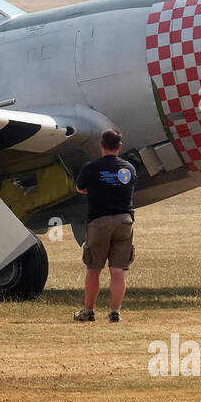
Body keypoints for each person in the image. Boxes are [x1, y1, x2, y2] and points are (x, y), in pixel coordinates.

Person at [73, 129, 136, 323]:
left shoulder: (90, 167)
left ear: (101, 145)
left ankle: (88, 311)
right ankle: (115, 312)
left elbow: (79, 188)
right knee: (118, 270)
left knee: (94, 269)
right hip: (124, 222)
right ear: (120, 146)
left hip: (99, 221)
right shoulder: (128, 169)